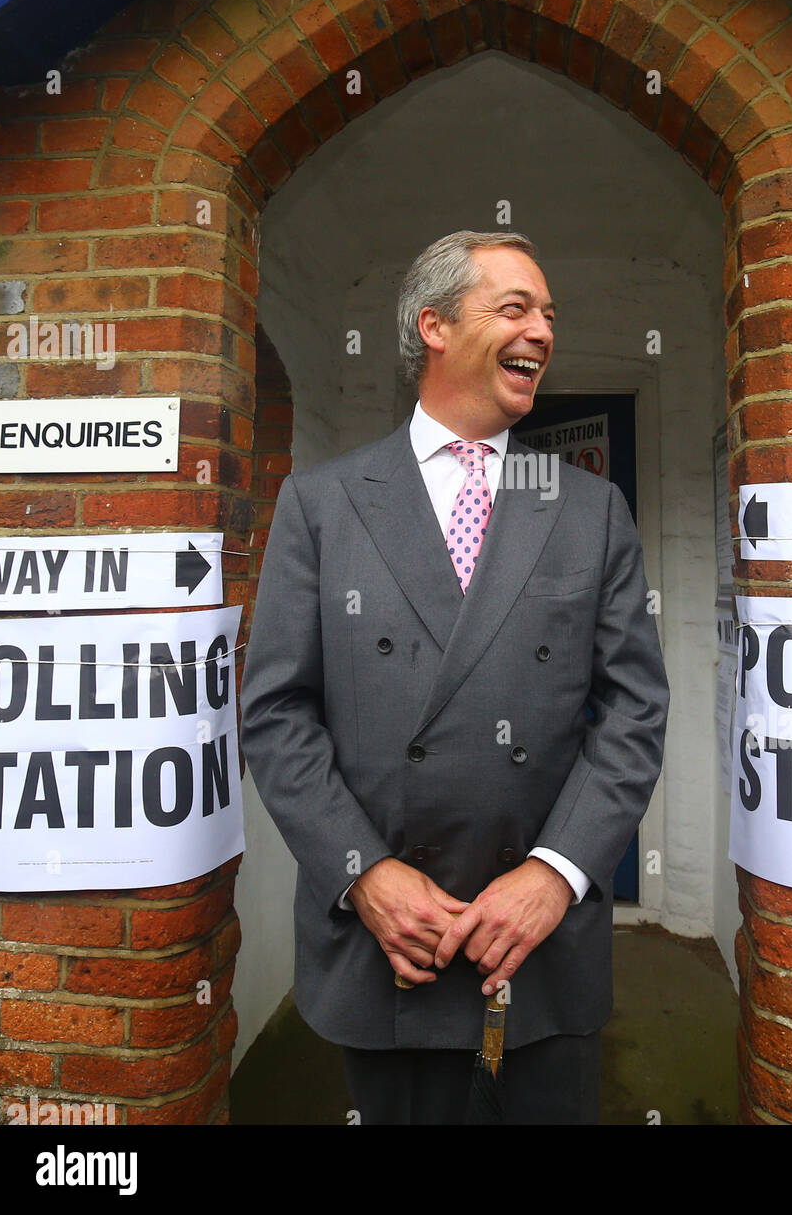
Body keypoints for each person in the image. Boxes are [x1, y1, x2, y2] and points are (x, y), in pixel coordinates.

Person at [239, 229, 669, 1124]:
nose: (543, 331)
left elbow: (634, 709)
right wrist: (363, 874)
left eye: (550, 314)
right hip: (389, 949)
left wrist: (555, 872)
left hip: (542, 952)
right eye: (516, 308)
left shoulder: (590, 510)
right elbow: (277, 713)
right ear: (432, 326)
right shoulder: (323, 505)